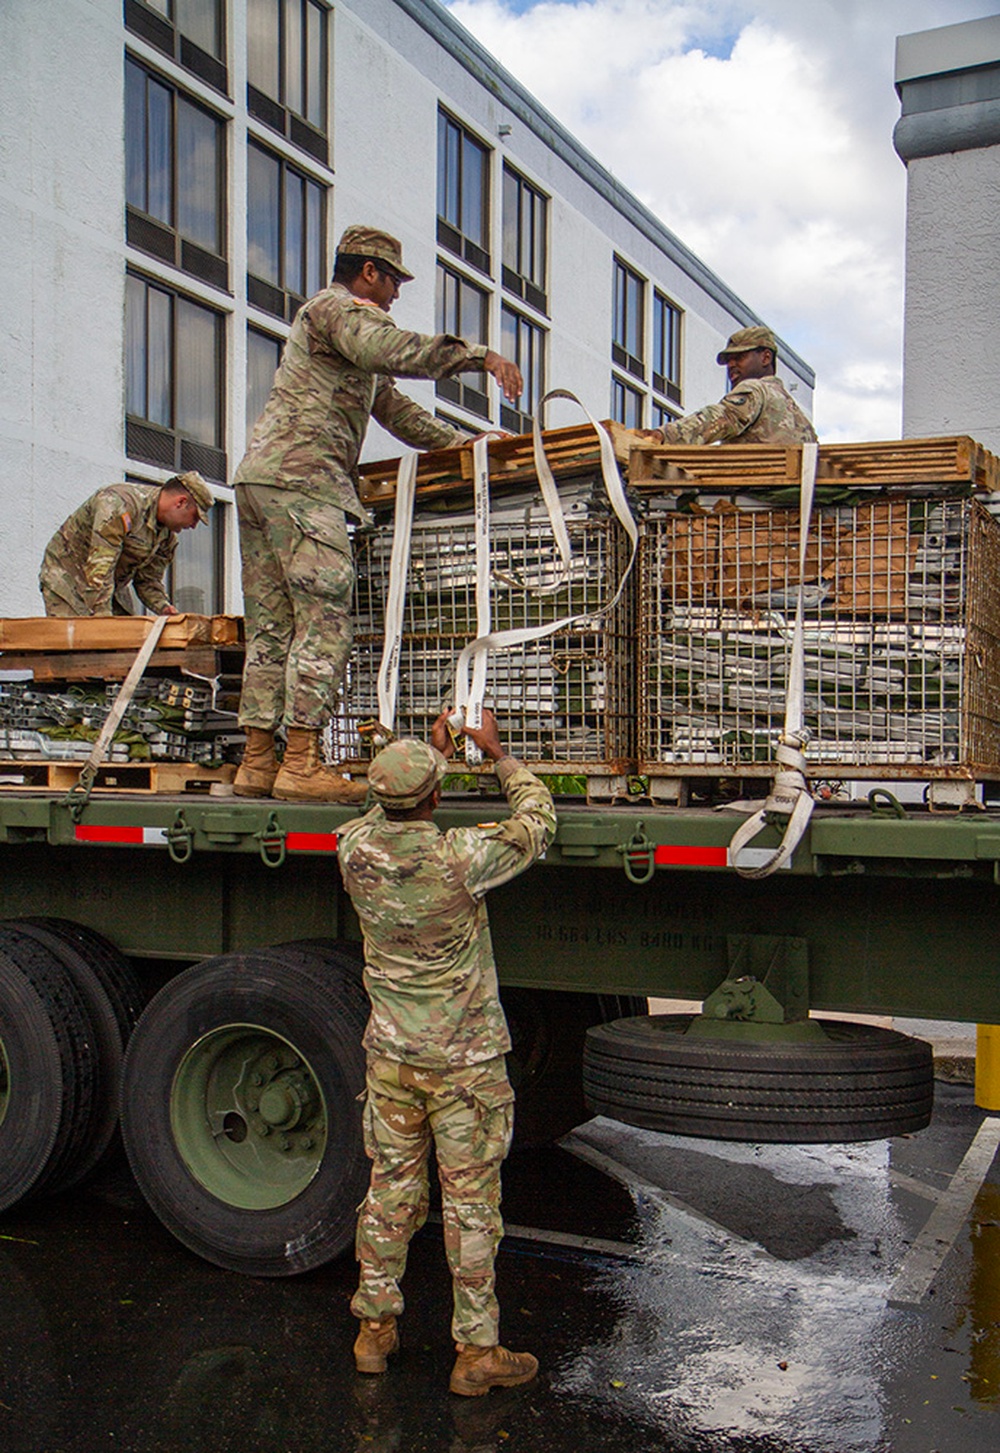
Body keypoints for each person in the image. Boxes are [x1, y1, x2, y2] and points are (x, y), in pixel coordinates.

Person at [232, 225, 524, 805]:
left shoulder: (343, 341)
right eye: (393, 283)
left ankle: (258, 761)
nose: (394, 297)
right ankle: (301, 762)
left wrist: (461, 444)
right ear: (369, 272)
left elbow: (394, 410)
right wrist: (479, 356)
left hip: (264, 481)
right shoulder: (337, 311)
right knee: (324, 619)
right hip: (304, 482)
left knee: (273, 628)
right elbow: (391, 348)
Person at [337, 707, 556, 1397]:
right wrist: (498, 755)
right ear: (434, 798)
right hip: (463, 1065)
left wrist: (427, 762)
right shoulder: (461, 856)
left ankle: (374, 1331)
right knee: (470, 1206)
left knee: (390, 1192)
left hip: (392, 1058)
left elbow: (380, 813)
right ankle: (475, 1353)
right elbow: (537, 822)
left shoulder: (355, 851)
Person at [38, 472, 213, 617]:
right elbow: (100, 566)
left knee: (126, 638)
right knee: (85, 639)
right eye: (195, 517)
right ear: (181, 502)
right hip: (69, 576)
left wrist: (164, 608)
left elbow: (147, 581)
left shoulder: (166, 538)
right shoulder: (118, 504)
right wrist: (102, 617)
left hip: (111, 585)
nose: (193, 526)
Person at [646, 325, 818, 446]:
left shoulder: (755, 389)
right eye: (729, 360)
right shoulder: (801, 419)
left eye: (740, 357)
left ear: (766, 358)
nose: (731, 365)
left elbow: (722, 417)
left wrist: (663, 435)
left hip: (751, 485)